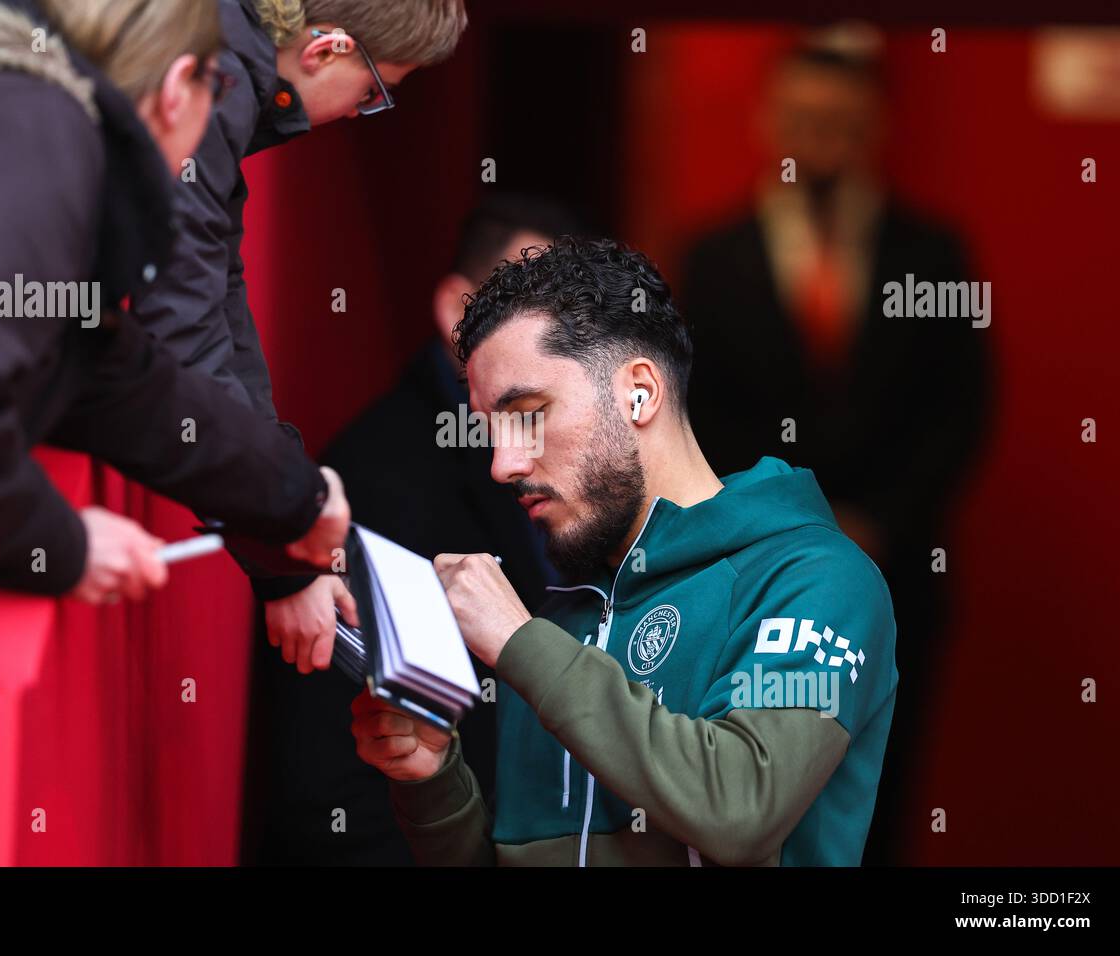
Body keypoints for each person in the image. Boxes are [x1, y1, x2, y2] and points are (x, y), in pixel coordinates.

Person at [351, 238, 899, 866]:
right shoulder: (561, 618)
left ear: (638, 391)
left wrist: (521, 645)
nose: (502, 465)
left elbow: (741, 812)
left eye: (526, 415)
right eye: (490, 432)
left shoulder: (815, 579)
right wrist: (433, 784)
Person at [0, 0, 347, 602]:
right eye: (219, 83)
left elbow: (114, 379)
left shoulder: (21, 121)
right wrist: (62, 546)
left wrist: (294, 496)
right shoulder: (33, 129)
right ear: (178, 86)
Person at [676, 35, 992, 862]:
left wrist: (876, 521)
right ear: (768, 121)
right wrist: (796, 529)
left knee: (880, 791)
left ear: (873, 126)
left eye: (840, 121)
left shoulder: (934, 253)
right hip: (755, 576)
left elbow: (959, 412)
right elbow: (696, 415)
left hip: (897, 570)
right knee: (758, 788)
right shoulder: (711, 258)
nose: (820, 137)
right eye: (803, 117)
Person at [131, 0, 468, 671]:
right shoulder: (214, 78)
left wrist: (286, 530)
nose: (358, 113)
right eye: (373, 91)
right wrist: (285, 547)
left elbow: (217, 308)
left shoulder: (221, 68)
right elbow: (187, 334)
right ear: (325, 50)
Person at [249, 194, 578, 865]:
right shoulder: (375, 478)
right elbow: (331, 772)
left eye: (572, 326)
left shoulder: (567, 459)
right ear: (458, 312)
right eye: (524, 311)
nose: (553, 347)